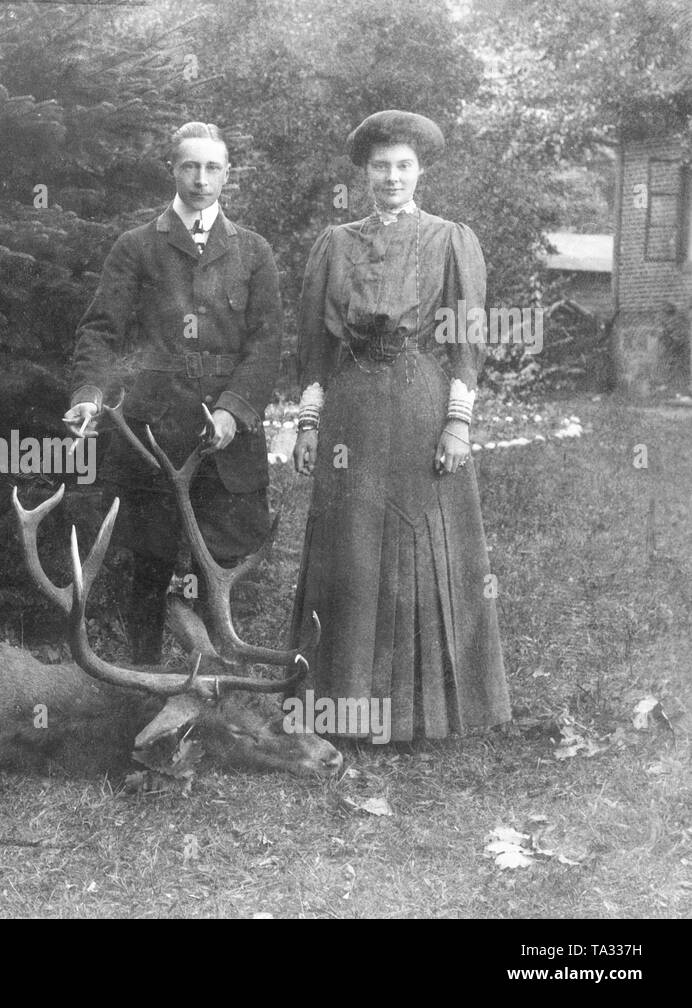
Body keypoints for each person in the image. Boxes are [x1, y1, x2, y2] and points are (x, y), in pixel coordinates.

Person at [289, 110, 511, 742]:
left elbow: (467, 341)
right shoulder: (335, 243)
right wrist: (309, 422)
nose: (391, 177)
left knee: (422, 536)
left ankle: (426, 713)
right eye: (380, 166)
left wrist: (458, 424)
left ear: (420, 172)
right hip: (351, 406)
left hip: (420, 398)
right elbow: (314, 349)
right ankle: (340, 704)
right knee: (352, 542)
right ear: (364, 173)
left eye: (404, 166)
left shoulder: (448, 239)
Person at [64, 121, 282, 664]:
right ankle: (141, 673)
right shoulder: (137, 246)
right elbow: (101, 330)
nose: (201, 179)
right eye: (190, 166)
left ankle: (223, 678)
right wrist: (88, 396)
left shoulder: (253, 252)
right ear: (173, 170)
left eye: (212, 168)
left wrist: (233, 412)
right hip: (153, 432)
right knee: (150, 557)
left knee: (223, 559)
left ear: (227, 175)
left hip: (226, 440)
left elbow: (267, 345)